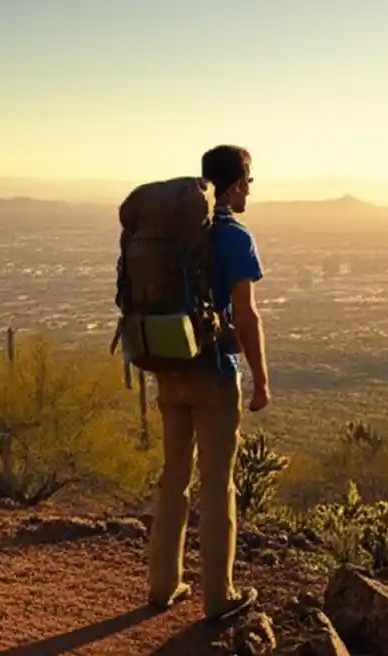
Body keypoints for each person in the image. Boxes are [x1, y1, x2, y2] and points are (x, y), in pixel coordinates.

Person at [147, 144, 270, 620]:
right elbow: (246, 315)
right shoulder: (235, 237)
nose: (248, 192)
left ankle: (163, 586)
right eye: (248, 182)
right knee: (217, 485)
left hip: (170, 370)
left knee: (173, 477)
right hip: (214, 374)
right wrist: (260, 381)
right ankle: (219, 597)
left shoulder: (175, 235)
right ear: (236, 184)